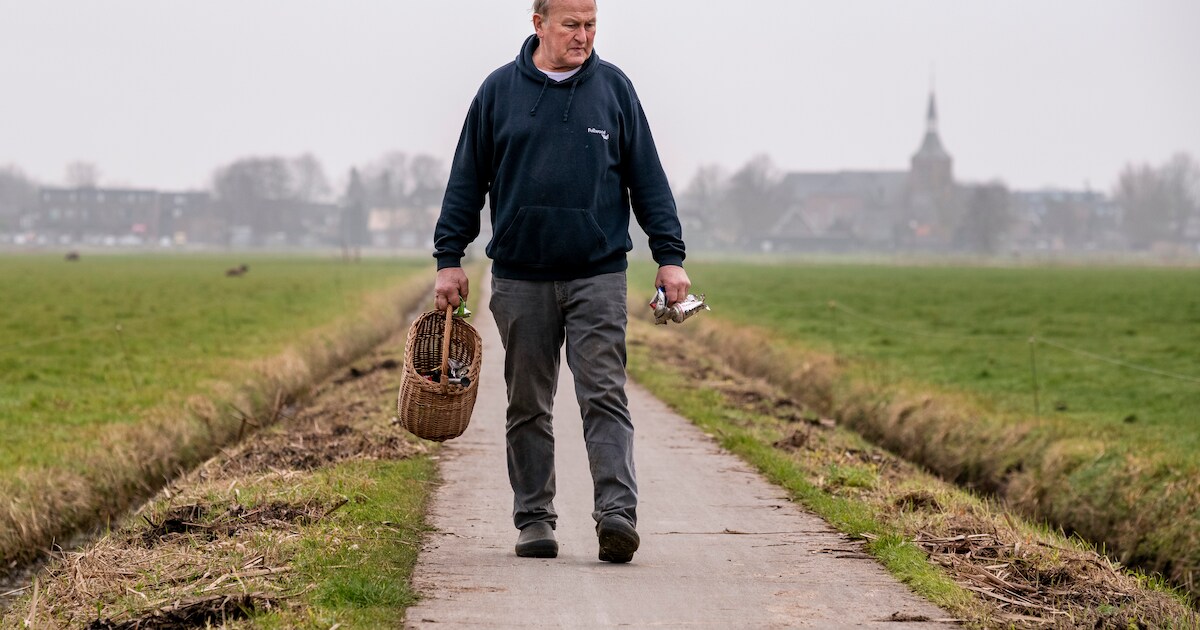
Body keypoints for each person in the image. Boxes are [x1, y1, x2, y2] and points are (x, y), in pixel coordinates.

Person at [432, 0, 690, 564]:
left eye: (591, 24)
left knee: (603, 394)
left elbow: (649, 180)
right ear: (538, 24)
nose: (583, 35)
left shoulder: (615, 90)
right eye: (571, 24)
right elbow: (465, 181)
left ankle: (616, 515)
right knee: (528, 403)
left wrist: (669, 257)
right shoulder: (498, 92)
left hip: (597, 272)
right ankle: (534, 520)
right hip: (521, 278)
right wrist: (449, 257)